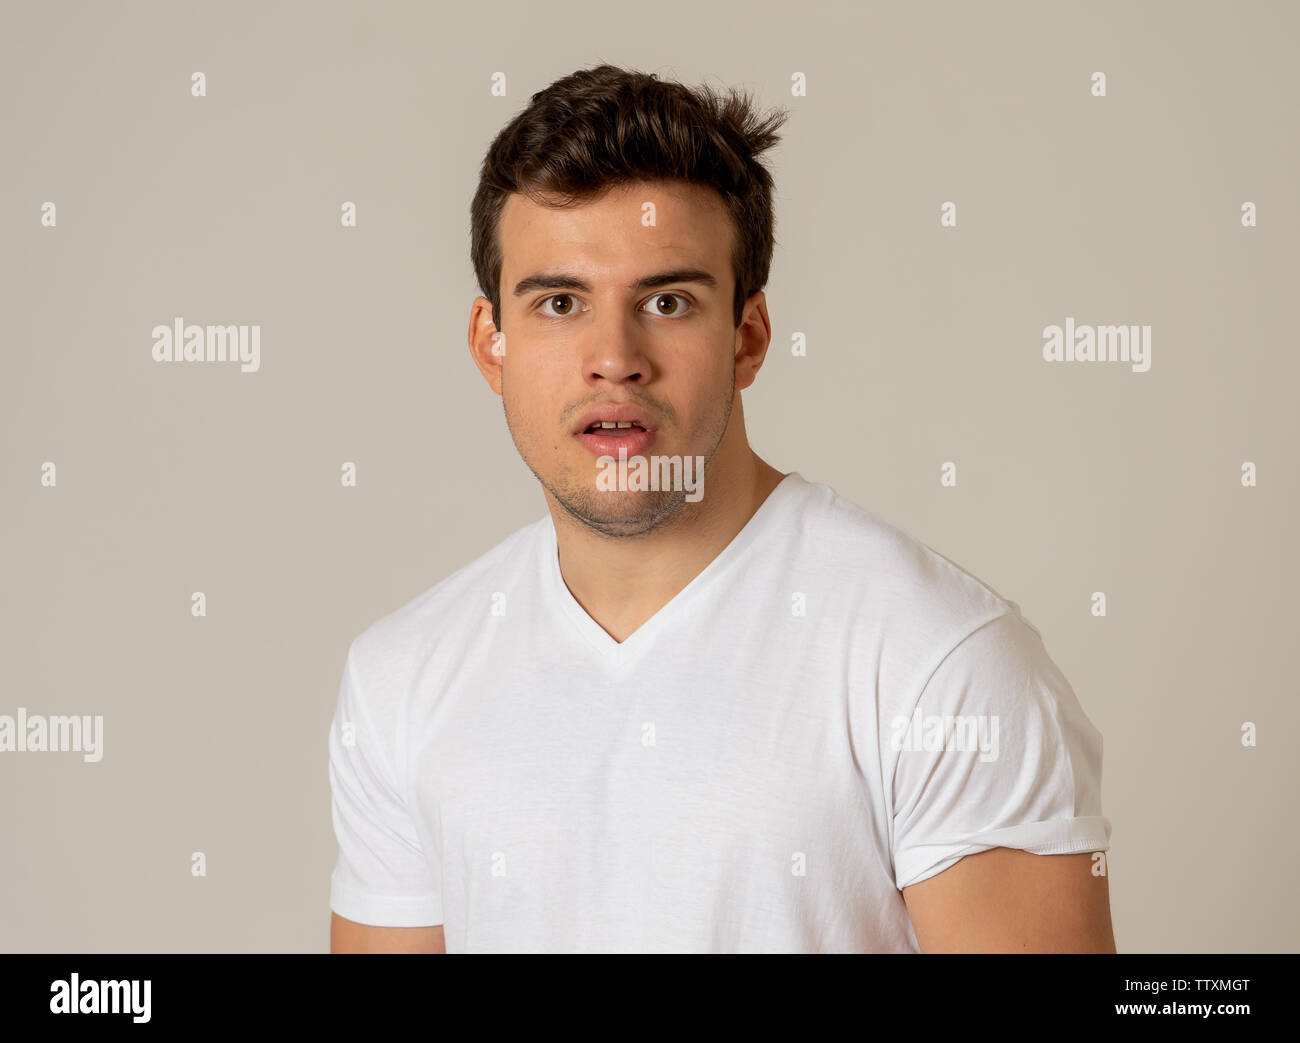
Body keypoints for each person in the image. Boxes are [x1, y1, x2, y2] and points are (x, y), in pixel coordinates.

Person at [328, 64, 1116, 953]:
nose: (614, 358)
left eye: (667, 302)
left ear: (747, 336)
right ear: (490, 344)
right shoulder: (401, 679)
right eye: (560, 303)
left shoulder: (937, 662)